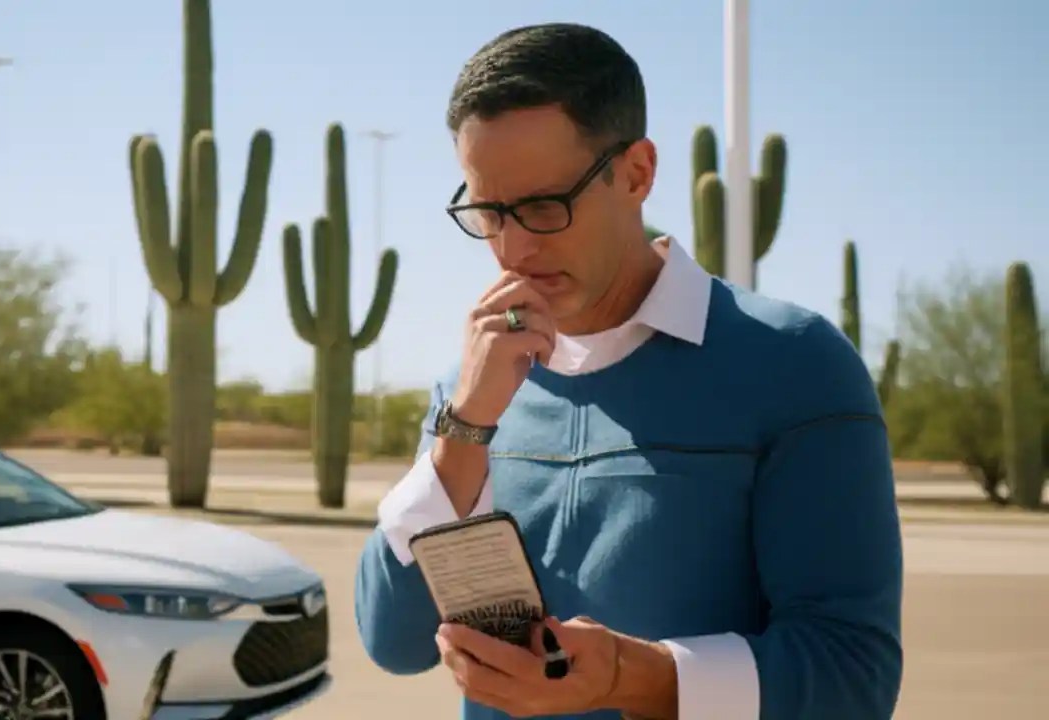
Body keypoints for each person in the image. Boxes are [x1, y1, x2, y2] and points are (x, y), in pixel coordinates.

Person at [353, 21, 904, 720]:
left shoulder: (795, 365)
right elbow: (393, 642)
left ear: (637, 172)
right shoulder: (471, 388)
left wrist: (634, 677)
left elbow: (853, 677)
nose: (513, 248)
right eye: (490, 212)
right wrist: (464, 429)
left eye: (544, 207)